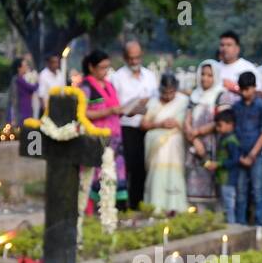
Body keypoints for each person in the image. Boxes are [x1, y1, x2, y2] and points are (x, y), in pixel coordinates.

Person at [77, 50, 128, 210]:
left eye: (107, 67)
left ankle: (116, 211)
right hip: (97, 139)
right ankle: (95, 211)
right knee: (96, 176)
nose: (105, 71)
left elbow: (115, 106)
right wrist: (108, 111)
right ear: (91, 67)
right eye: (102, 67)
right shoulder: (85, 86)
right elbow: (82, 113)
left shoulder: (109, 85)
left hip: (115, 140)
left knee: (116, 175)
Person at [112, 40, 157, 208]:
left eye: (137, 57)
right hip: (126, 128)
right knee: (126, 168)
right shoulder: (117, 78)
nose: (134, 61)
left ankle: (139, 204)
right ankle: (122, 206)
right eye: (131, 58)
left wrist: (138, 106)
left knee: (143, 168)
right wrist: (138, 105)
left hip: (147, 128)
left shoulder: (150, 76)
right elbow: (119, 108)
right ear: (125, 57)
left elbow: (154, 103)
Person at [142, 72, 190, 213]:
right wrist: (160, 124)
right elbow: (144, 124)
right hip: (156, 149)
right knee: (157, 177)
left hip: (175, 148)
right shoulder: (154, 102)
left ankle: (177, 207)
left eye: (171, 92)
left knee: (174, 176)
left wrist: (177, 123)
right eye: (165, 93)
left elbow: (187, 123)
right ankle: (156, 208)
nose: (168, 96)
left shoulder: (183, 101)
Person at [229, 70, 262, 225]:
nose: (245, 93)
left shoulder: (261, 106)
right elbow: (232, 132)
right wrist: (239, 156)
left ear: (254, 88)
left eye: (248, 89)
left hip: (256, 154)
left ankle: (259, 224)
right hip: (240, 153)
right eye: (242, 89)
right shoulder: (236, 107)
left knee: (258, 190)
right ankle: (240, 224)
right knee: (240, 191)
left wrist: (252, 155)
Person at [184, 58, 224, 206]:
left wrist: (198, 132)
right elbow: (187, 120)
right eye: (203, 74)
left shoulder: (221, 95)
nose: (205, 78)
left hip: (212, 146)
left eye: (209, 75)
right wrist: (194, 138)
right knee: (193, 186)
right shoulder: (194, 95)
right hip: (194, 145)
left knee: (211, 181)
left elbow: (220, 121)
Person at [208, 109, 241, 218]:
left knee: (229, 206)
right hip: (222, 178)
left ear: (230, 124)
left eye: (219, 125)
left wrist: (218, 164)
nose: (217, 129)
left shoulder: (231, 140)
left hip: (228, 179)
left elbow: (235, 160)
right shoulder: (224, 137)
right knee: (224, 206)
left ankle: (232, 228)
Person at [215, 30, 256, 104]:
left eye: (229, 45)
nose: (224, 48)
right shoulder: (214, 68)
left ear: (237, 49)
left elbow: (255, 93)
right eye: (222, 45)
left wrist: (234, 87)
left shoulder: (248, 68)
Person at [8, 56, 38, 127]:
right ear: (19, 68)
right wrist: (37, 82)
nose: (27, 67)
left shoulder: (21, 78)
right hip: (22, 110)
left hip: (26, 108)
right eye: (25, 65)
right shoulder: (18, 79)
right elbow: (32, 88)